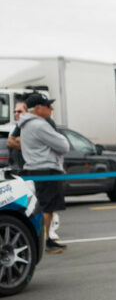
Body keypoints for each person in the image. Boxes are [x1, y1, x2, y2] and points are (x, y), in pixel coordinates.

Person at [15, 94, 69, 253]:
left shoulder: (25, 124)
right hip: (46, 169)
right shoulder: (39, 125)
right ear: (38, 108)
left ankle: (45, 240)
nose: (51, 108)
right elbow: (64, 146)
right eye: (48, 105)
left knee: (42, 206)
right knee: (47, 207)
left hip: (33, 169)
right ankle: (45, 242)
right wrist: (53, 147)